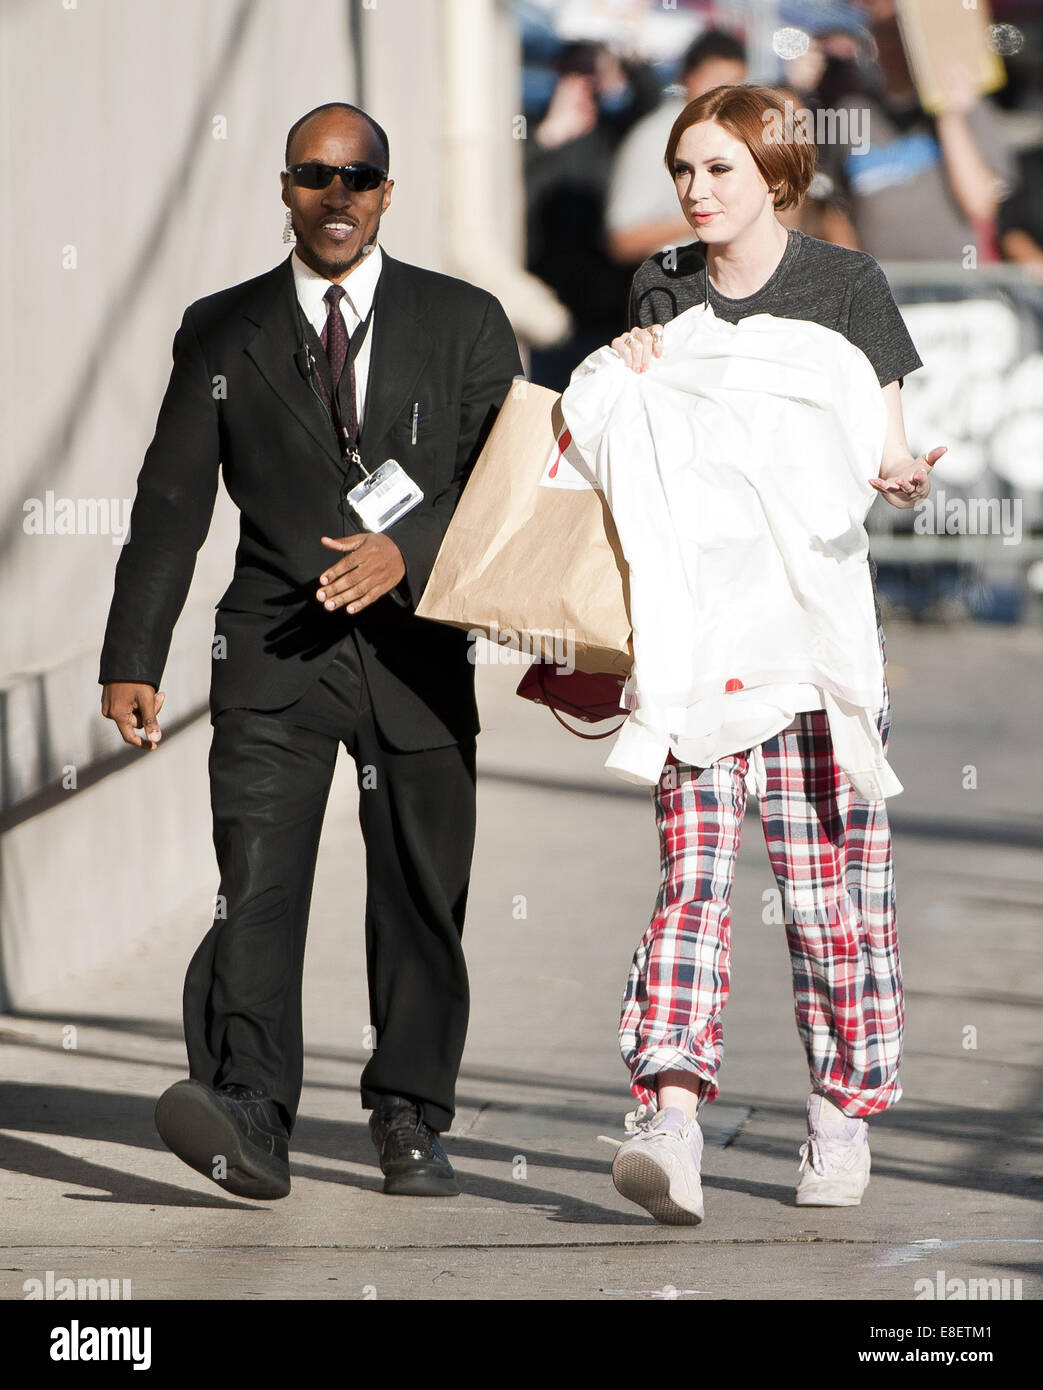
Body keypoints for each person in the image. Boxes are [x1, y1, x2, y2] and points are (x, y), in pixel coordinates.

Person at [98, 102, 523, 1201]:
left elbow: (500, 481)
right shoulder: (222, 328)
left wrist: (406, 553)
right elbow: (171, 501)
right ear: (285, 191)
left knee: (422, 895)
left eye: (358, 178)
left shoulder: (464, 320)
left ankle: (410, 1116)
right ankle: (251, 1108)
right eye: (312, 176)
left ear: (386, 193)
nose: (336, 197)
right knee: (256, 881)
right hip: (272, 648)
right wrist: (131, 653)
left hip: (417, 653)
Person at [601, 84, 946, 1224]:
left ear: (776, 177)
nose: (696, 193)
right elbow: (632, 437)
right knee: (690, 882)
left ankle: (840, 1109)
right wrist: (632, 369)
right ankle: (671, 1110)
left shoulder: (845, 288)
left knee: (822, 894)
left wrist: (897, 474)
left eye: (719, 171)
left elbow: (880, 441)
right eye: (684, 171)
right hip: (695, 642)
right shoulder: (660, 285)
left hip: (807, 645)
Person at [605, 29, 747, 269]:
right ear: (686, 78)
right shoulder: (656, 136)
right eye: (714, 80)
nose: (724, 93)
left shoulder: (735, 134)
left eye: (734, 83)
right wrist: (711, 213)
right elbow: (622, 240)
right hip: (673, 286)